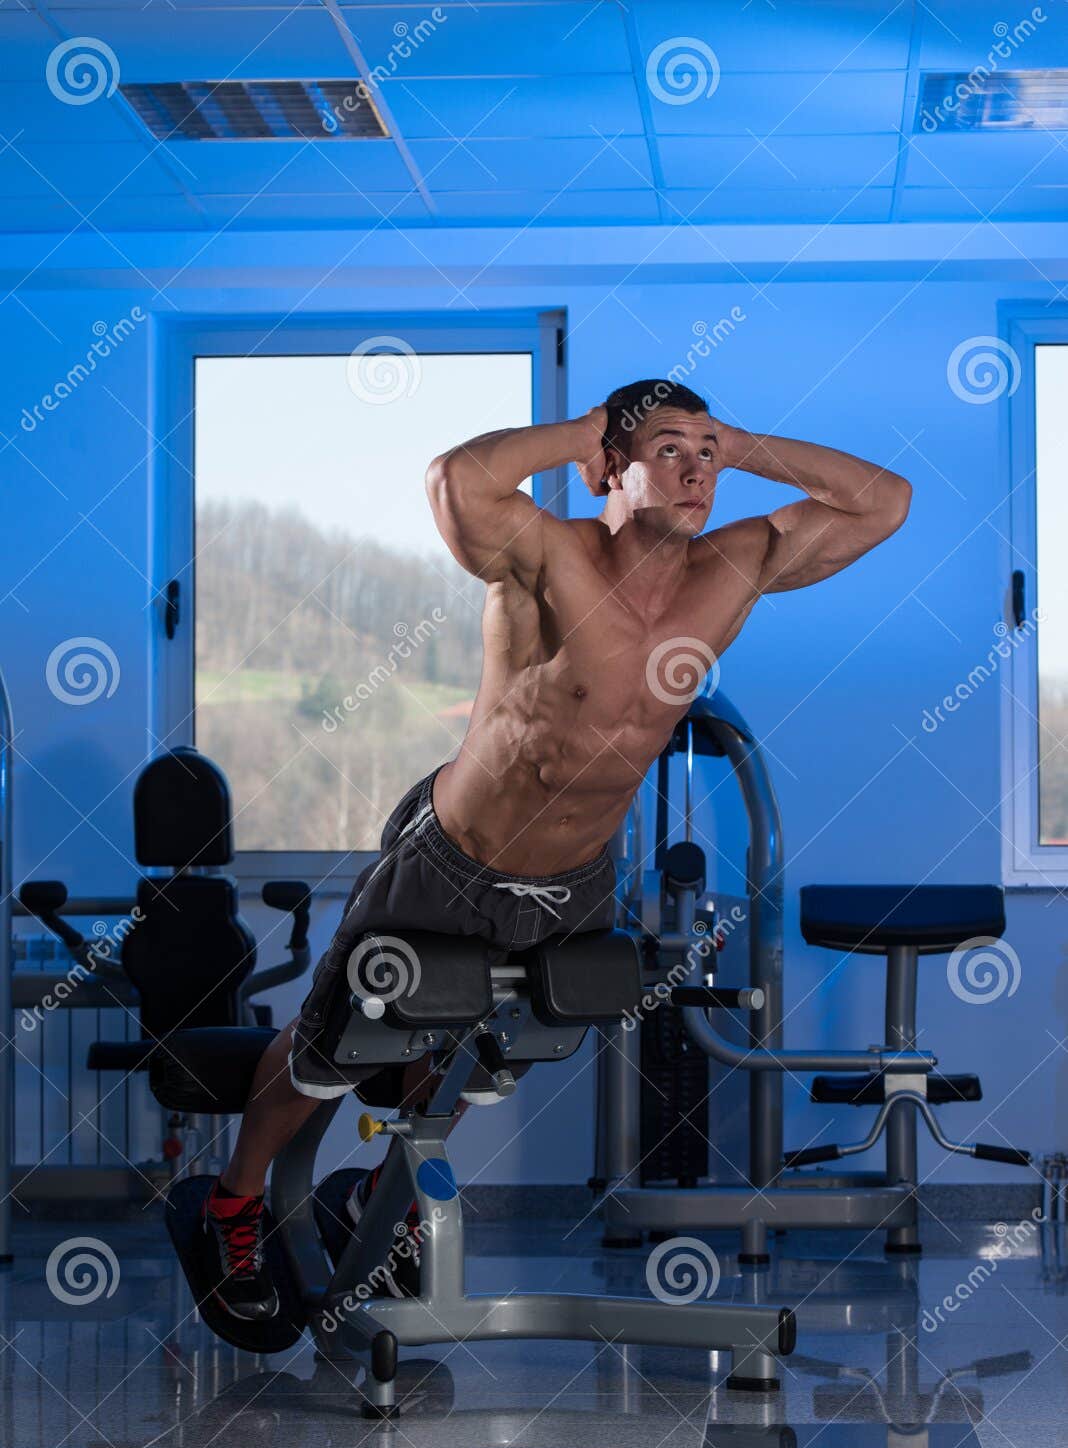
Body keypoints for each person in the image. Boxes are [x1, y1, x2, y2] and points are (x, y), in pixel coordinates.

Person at [200, 378, 911, 1321]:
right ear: (614, 466)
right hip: (453, 860)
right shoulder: (549, 556)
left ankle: (385, 1194)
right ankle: (235, 1200)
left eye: (706, 451)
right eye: (670, 449)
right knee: (328, 1054)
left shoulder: (735, 567)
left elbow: (885, 501)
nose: (697, 467)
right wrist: (583, 433)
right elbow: (456, 480)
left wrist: (738, 443)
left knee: (475, 1058)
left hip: (573, 885)